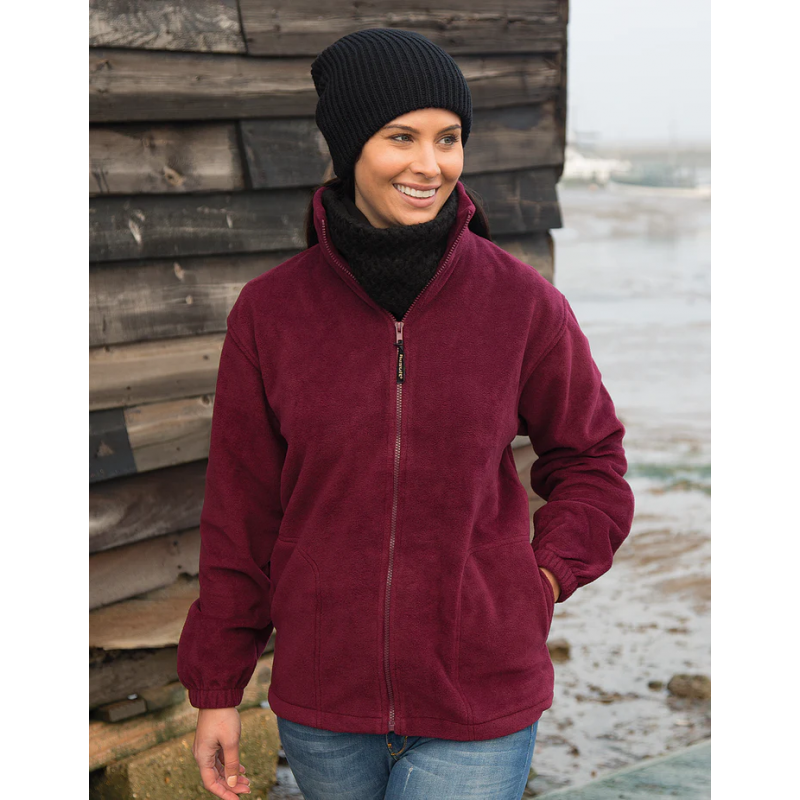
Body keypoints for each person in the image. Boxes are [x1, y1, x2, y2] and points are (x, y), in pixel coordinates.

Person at [176, 28, 635, 800]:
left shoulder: (522, 304)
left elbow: (592, 459)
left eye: (448, 139)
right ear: (350, 146)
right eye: (402, 137)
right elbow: (240, 514)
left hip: (480, 697)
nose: (431, 165)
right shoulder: (272, 314)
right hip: (324, 703)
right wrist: (218, 688)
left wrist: (544, 578)